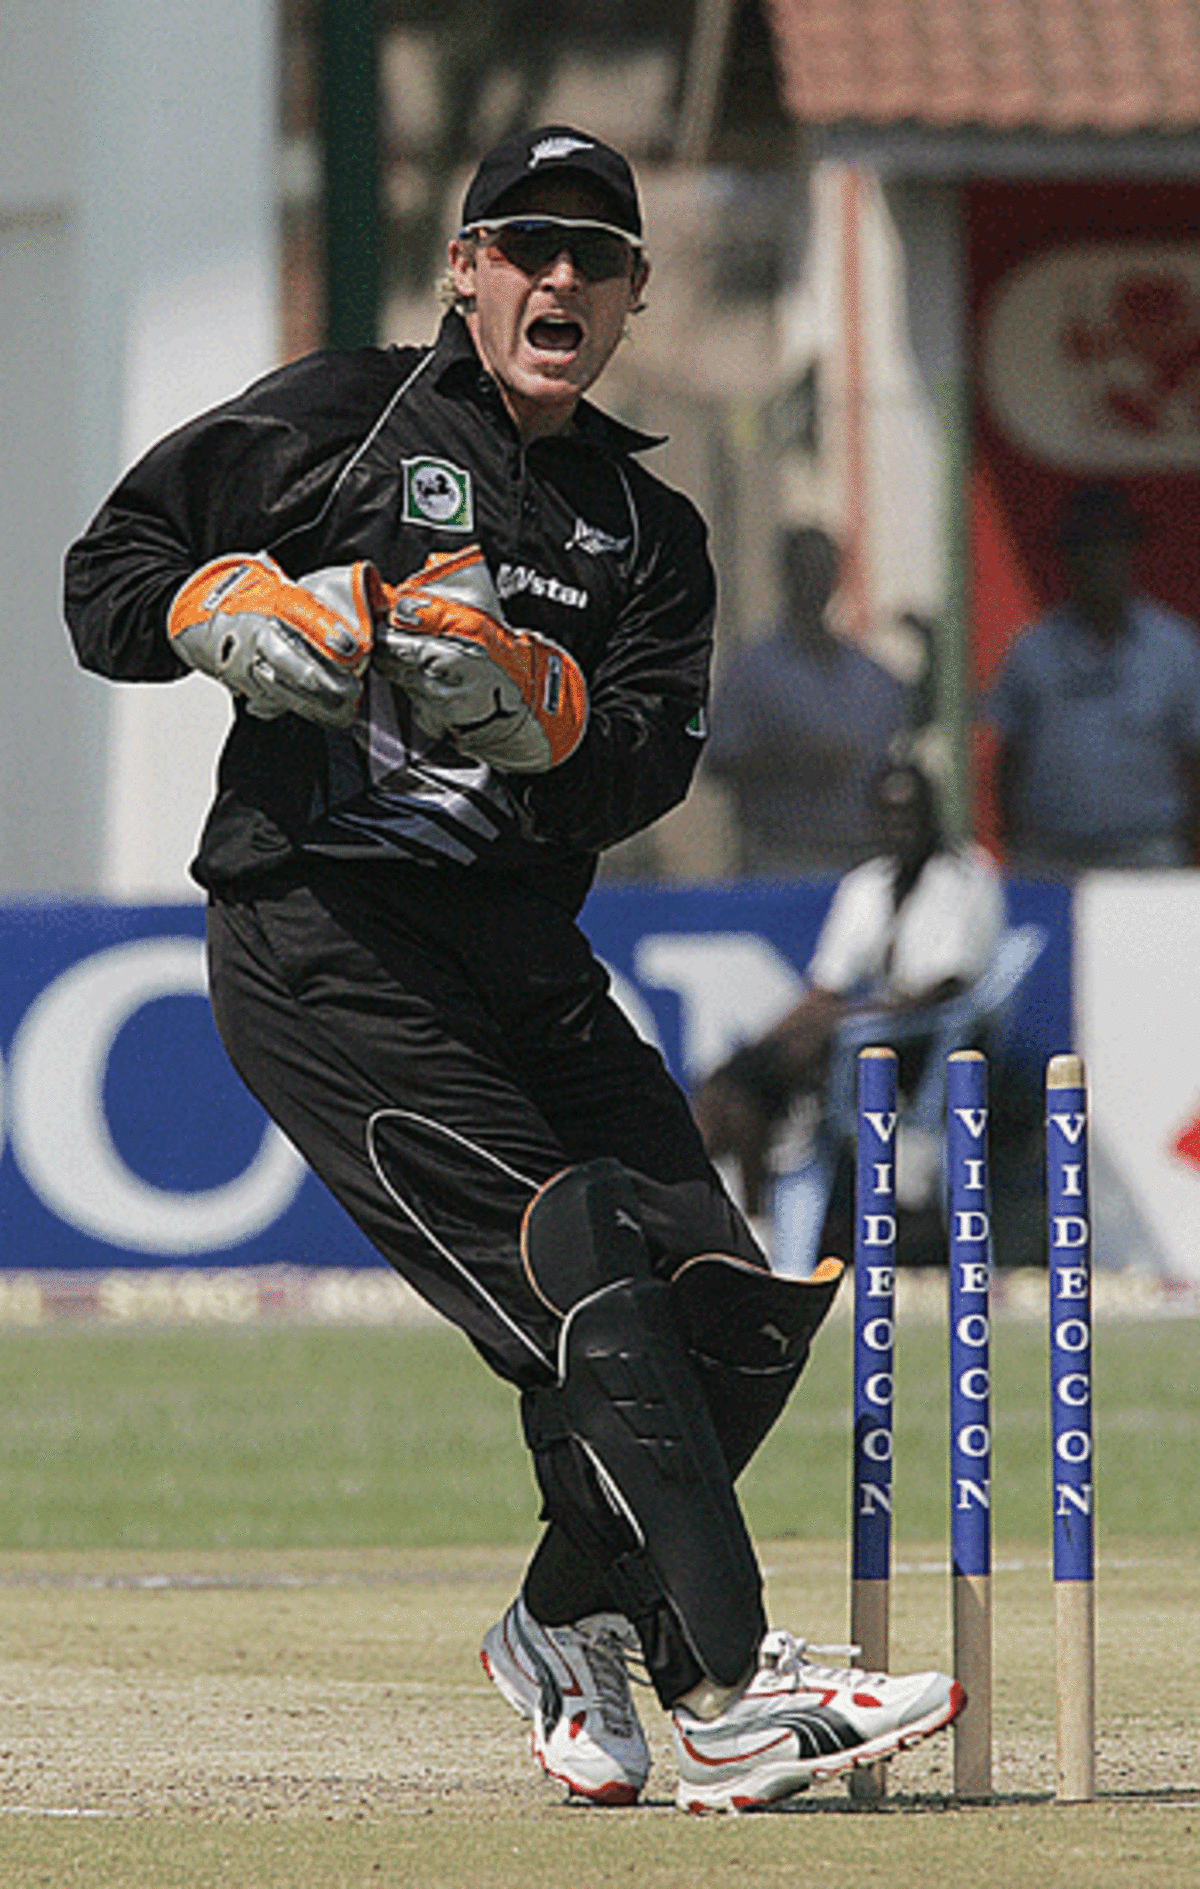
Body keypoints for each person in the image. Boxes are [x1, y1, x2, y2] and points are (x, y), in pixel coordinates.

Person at [62, 124, 960, 1813]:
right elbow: (101, 581)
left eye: (593, 258)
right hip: (322, 940)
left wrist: (547, 714)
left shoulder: (651, 528)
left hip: (520, 958)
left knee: (729, 1303)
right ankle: (722, 1686)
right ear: (465, 266)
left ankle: (562, 1623)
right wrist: (219, 607)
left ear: (632, 298)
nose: (558, 280)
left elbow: (639, 767)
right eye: (525, 246)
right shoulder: (340, 416)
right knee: (583, 1273)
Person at [692, 762, 1004, 1224]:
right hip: (853, 1041)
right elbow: (826, 984)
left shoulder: (966, 875)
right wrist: (774, 1038)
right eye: (890, 815)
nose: (902, 827)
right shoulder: (867, 883)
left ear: (933, 814)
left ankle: (742, 1215)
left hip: (931, 1044)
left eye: (912, 814)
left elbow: (946, 986)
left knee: (787, 1060)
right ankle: (756, 1228)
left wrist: (846, 1019)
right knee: (735, 1091)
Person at [987, 482, 1200, 872]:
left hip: (1146, 849)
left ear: (1130, 554)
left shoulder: (1174, 646)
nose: (1096, 562)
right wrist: (1014, 837)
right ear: (1067, 559)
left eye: (1108, 547)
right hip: (1051, 850)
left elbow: (1193, 752)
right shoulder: (1032, 650)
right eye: (1084, 548)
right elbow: (1009, 755)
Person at [704, 526, 911, 874]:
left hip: (862, 860)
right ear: (786, 576)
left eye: (824, 571)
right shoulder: (752, 670)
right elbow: (718, 760)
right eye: (805, 570)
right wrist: (788, 759)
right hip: (781, 857)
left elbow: (907, 731)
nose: (815, 582)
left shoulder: (870, 674)